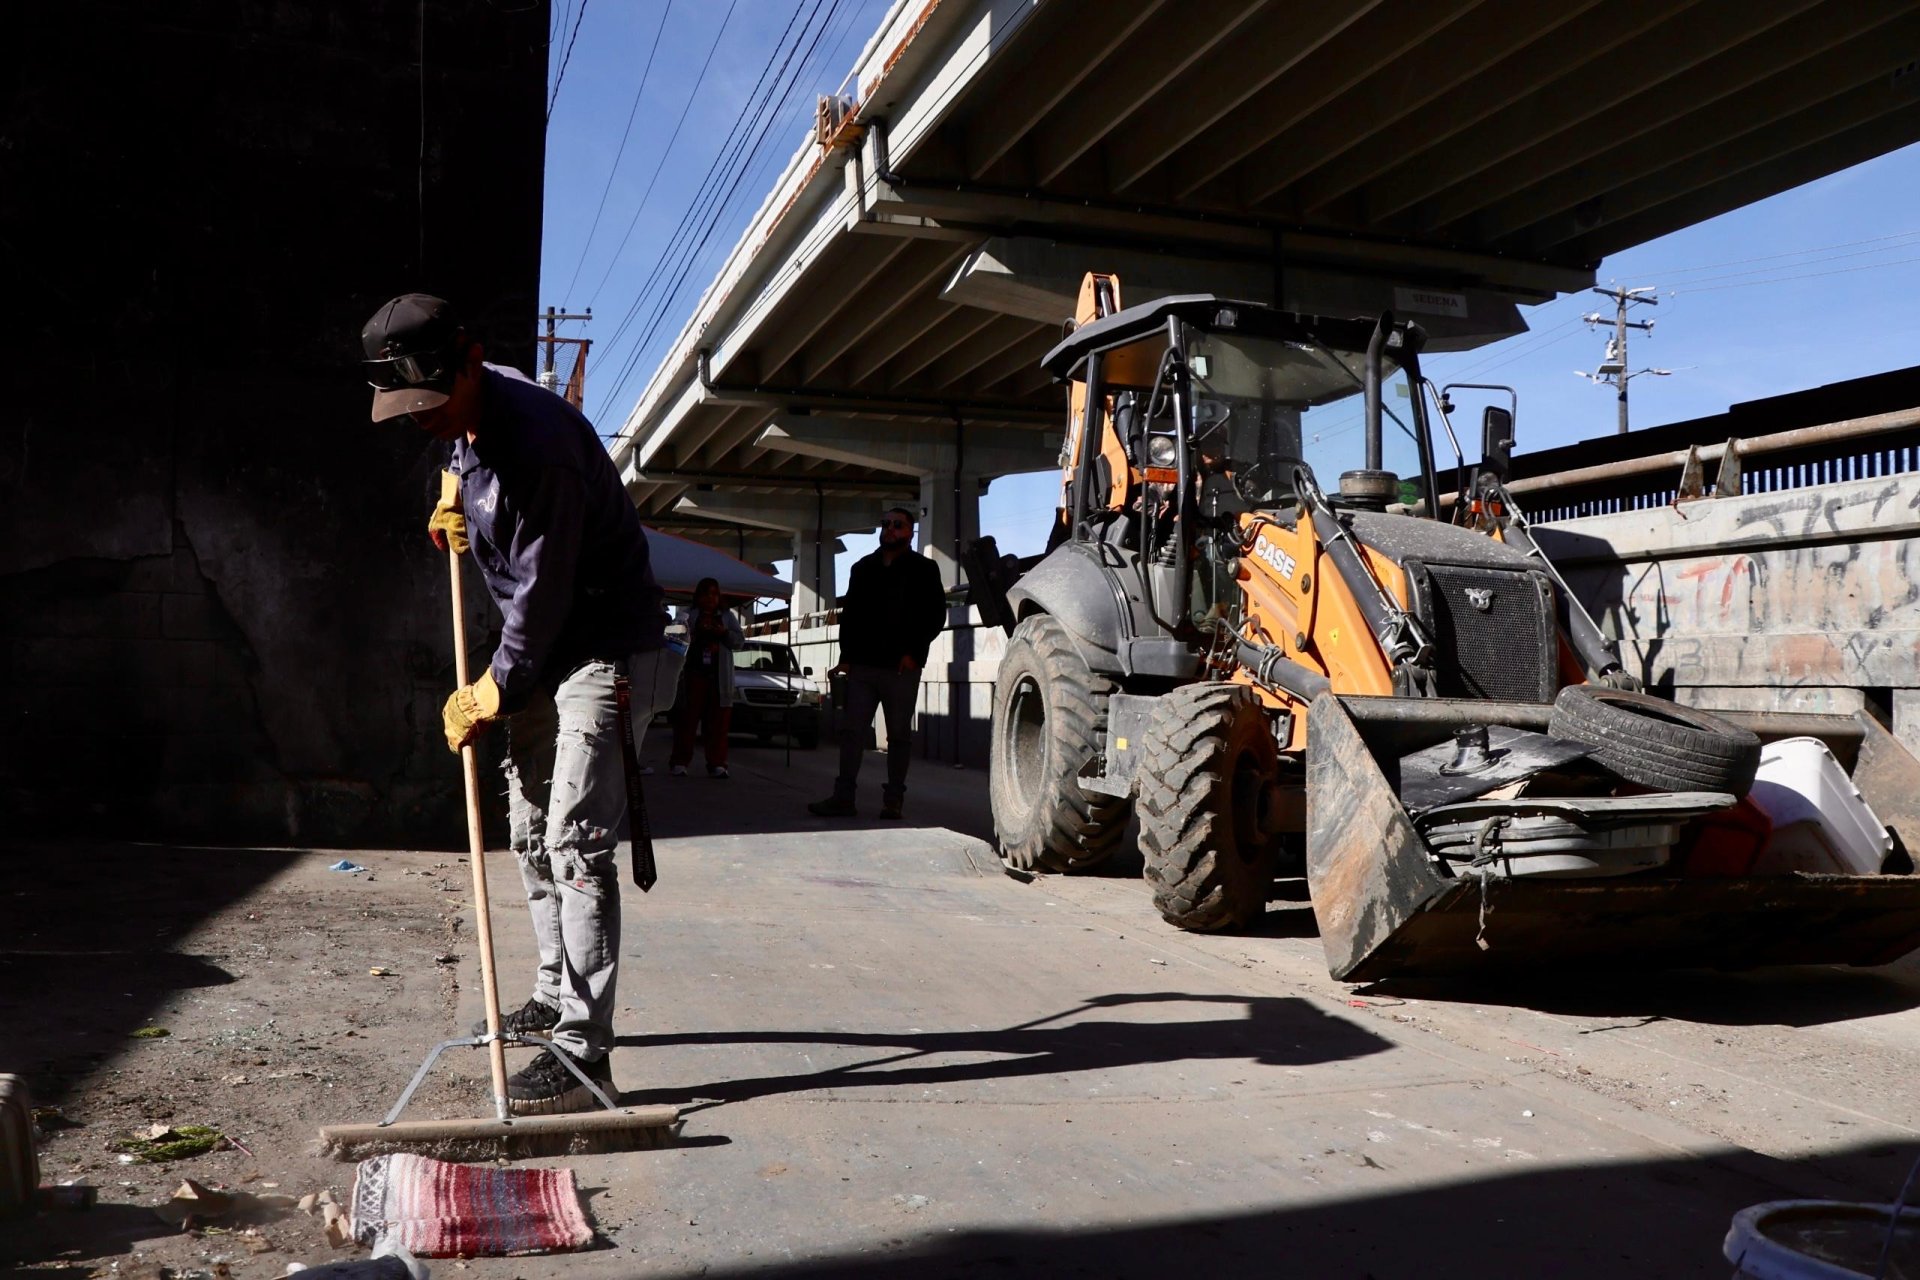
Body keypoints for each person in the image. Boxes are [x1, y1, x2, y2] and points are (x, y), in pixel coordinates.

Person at [362, 293, 664, 1116]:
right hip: (544, 648)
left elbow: (544, 590)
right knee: (529, 829)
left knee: (577, 838)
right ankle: (552, 991)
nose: (420, 419)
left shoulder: (540, 447)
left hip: (601, 644)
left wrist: (497, 683)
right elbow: (463, 451)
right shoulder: (470, 411)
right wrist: (454, 489)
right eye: (406, 406)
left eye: (431, 401)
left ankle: (583, 1056)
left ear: (467, 358)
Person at [808, 506, 947, 820]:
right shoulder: (863, 568)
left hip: (901, 669)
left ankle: (893, 800)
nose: (890, 529)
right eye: (886, 524)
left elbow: (935, 615)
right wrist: (846, 659)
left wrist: (915, 653)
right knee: (851, 732)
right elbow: (852, 617)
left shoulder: (924, 569)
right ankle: (843, 798)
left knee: (898, 735)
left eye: (898, 525)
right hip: (862, 668)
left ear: (910, 532)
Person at [669, 576, 743, 779]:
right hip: (693, 675)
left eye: (714, 594)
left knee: (718, 724)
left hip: (719, 679)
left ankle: (717, 763)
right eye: (706, 594)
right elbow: (671, 636)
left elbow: (739, 641)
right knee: (686, 721)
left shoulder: (727, 616)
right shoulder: (688, 614)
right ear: (699, 596)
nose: (711, 598)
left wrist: (724, 632)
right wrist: (689, 632)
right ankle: (680, 761)